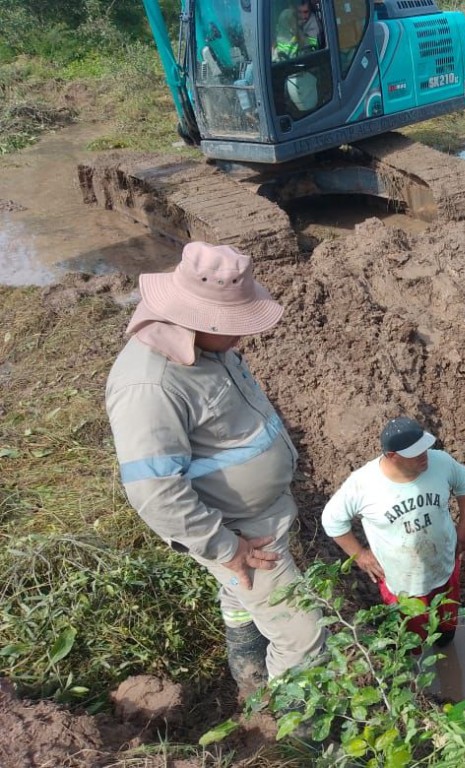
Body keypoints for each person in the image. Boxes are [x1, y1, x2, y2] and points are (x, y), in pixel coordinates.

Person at [105, 241, 325, 696]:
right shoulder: (151, 386)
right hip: (239, 532)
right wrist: (227, 548)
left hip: (258, 518)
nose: (241, 335)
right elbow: (155, 492)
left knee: (240, 598)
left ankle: (249, 672)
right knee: (304, 635)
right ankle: (302, 737)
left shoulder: (207, 348)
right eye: (232, 324)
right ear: (196, 317)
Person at [321, 417, 465, 646]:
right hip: (403, 580)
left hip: (444, 562)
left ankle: (446, 645)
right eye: (416, 453)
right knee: (411, 639)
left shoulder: (440, 462)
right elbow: (332, 521)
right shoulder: (363, 485)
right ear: (392, 455)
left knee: (446, 626)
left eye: (425, 448)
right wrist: (360, 555)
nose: (425, 455)